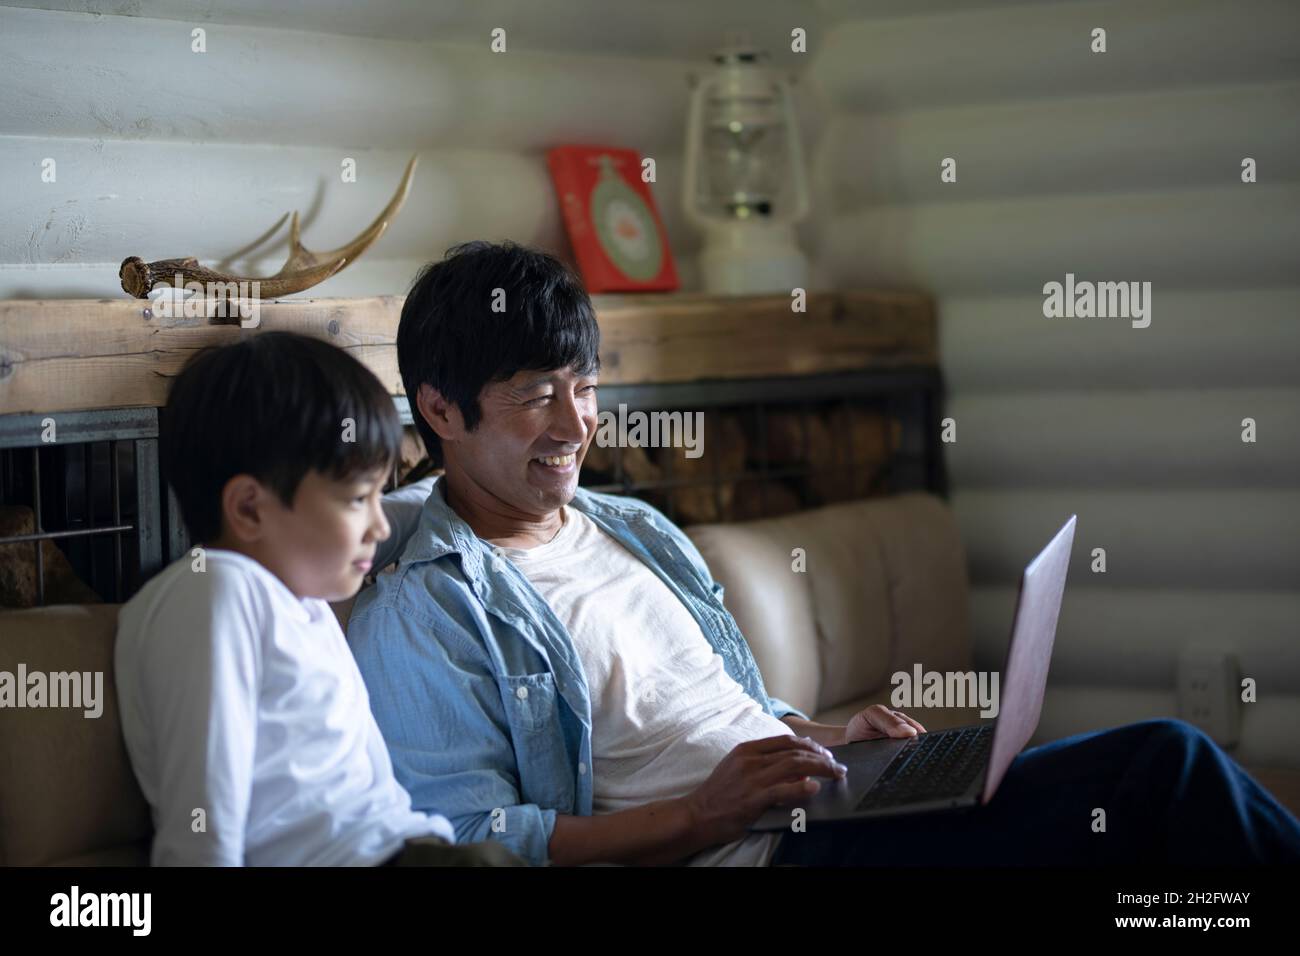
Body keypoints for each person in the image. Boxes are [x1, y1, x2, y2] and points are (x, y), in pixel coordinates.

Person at [347, 240, 1300, 866]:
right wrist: (701, 818)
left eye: (585, 385)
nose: (575, 422)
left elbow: (724, 715)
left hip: (815, 805)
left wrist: (829, 738)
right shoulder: (421, 603)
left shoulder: (632, 528)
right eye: (533, 393)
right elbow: (470, 840)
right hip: (762, 857)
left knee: (1156, 823)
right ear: (439, 410)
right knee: (1161, 773)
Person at [115, 331, 523, 866]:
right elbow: (203, 823)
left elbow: (409, 510)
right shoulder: (219, 592)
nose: (378, 523)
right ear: (250, 510)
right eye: (358, 498)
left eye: (379, 494)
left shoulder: (299, 600)